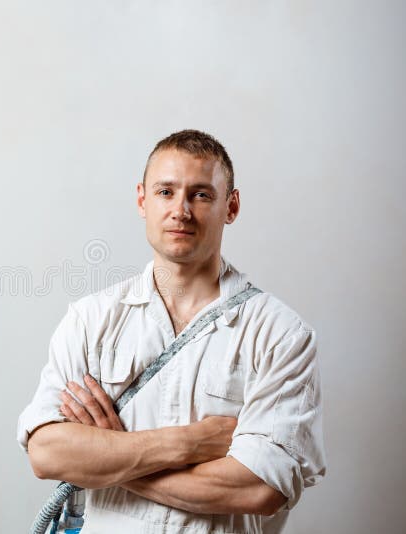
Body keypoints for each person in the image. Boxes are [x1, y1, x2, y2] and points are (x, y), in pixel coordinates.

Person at [16, 130, 326, 533]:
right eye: (166, 192)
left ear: (231, 206)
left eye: (201, 195)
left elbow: (258, 489)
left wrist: (108, 456)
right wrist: (189, 443)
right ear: (142, 200)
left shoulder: (280, 334)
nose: (181, 210)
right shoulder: (91, 319)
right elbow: (47, 453)